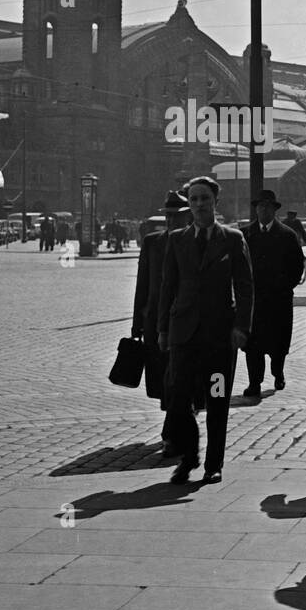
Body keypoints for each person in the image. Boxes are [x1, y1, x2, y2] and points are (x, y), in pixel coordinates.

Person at [157, 176, 253, 485]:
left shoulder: (232, 238)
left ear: (215, 203)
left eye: (205, 199)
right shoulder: (177, 239)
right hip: (184, 334)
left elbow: (245, 286)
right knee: (179, 397)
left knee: (217, 398)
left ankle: (214, 463)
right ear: (189, 203)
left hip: (218, 336)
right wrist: (162, 329)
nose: (199, 204)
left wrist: (241, 326)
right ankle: (189, 456)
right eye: (194, 199)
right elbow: (167, 286)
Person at [133, 190, 191, 453]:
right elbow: (142, 285)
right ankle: (176, 423)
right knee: (162, 380)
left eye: (176, 216)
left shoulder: (193, 241)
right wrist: (137, 323)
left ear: (187, 217)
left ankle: (172, 433)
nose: (170, 221)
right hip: (155, 322)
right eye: (168, 216)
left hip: (183, 323)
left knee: (176, 379)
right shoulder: (152, 243)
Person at [241, 189, 306, 397]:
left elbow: (297, 268)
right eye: (260, 206)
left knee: (278, 343)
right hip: (254, 301)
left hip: (279, 300)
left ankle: (278, 373)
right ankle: (254, 383)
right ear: (256, 209)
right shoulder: (245, 235)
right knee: (253, 346)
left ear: (274, 209)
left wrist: (284, 287)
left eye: (268, 206)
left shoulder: (287, 235)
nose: (264, 210)